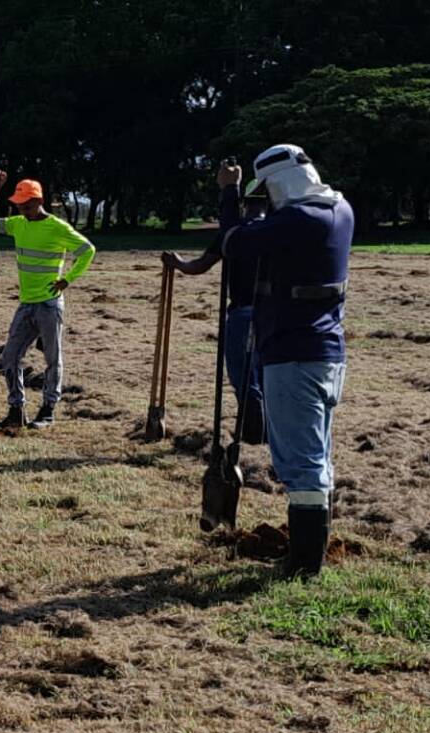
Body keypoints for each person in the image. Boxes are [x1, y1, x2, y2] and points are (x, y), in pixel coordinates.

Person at [218, 144, 354, 578]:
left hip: (292, 353)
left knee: (300, 461)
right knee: (319, 454)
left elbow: (235, 242)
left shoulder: (297, 219)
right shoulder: (341, 210)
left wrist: (230, 194)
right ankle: (314, 547)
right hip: (327, 352)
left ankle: (303, 562)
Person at [0, 170, 96, 429]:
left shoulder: (57, 227)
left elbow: (88, 250)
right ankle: (16, 409)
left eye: (27, 205)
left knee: (52, 358)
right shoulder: (17, 224)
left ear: (38, 202)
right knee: (9, 357)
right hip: (26, 303)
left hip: (49, 304)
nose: (22, 209)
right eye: (19, 205)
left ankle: (48, 409)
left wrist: (68, 278)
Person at [161, 179, 269, 445]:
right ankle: (270, 431)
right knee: (267, 372)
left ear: (244, 203)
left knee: (242, 375)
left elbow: (199, 266)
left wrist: (176, 263)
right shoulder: (277, 232)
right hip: (274, 314)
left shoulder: (233, 232)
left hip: (242, 313)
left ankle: (254, 430)